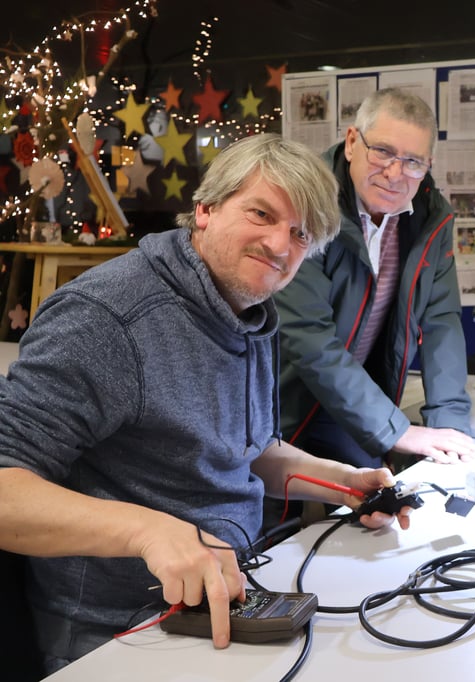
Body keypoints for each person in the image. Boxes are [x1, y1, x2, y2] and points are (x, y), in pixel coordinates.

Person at [0, 133, 414, 674]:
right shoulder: (106, 318)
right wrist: (149, 531)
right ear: (205, 209)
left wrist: (344, 483)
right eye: (261, 214)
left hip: (228, 598)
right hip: (118, 632)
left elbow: (245, 450)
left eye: (300, 234)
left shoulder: (248, 309)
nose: (279, 245)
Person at [274, 88, 475, 471]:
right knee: (271, 505)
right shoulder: (306, 203)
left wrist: (449, 426)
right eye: (382, 151)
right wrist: (395, 430)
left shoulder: (432, 217)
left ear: (428, 165)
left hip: (353, 400)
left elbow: (441, 323)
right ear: (352, 142)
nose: (395, 174)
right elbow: (307, 336)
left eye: (412, 161)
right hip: (279, 400)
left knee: (373, 496)